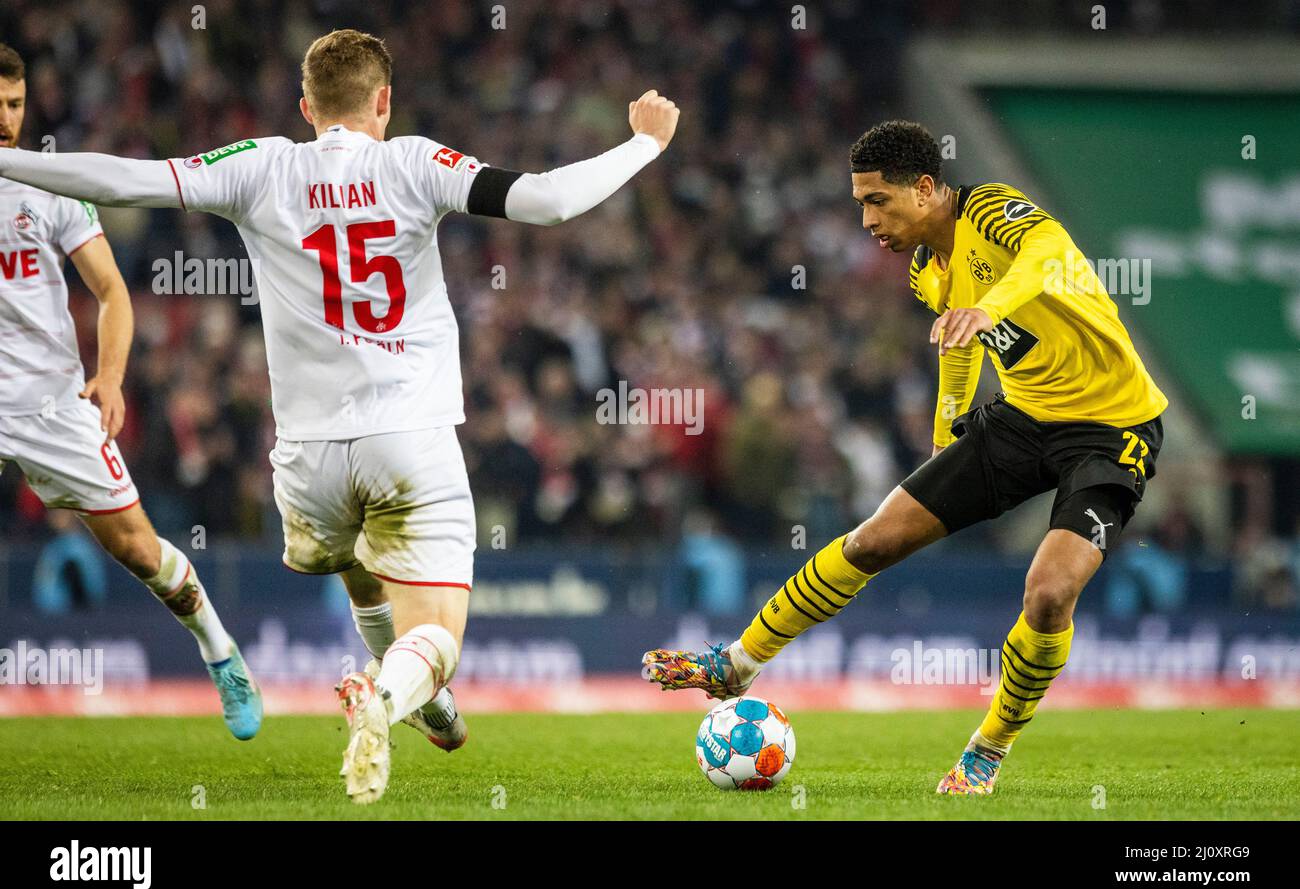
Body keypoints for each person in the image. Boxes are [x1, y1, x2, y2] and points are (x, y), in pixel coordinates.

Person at [0, 28, 679, 804]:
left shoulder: (261, 166)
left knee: (358, 559)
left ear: (304, 106)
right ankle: (387, 699)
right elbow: (550, 201)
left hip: (308, 461)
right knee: (439, 634)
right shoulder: (415, 161)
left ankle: (421, 699)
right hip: (407, 440)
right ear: (384, 101)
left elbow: (122, 179)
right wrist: (642, 146)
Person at [643, 120, 1167, 796]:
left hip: (1111, 427)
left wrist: (988, 306)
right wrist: (948, 437)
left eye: (877, 201)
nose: (867, 220)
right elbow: (959, 345)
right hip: (1020, 422)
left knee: (1048, 592)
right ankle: (738, 662)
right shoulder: (928, 271)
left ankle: (989, 746)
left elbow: (1051, 253)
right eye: (860, 203)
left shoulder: (988, 210)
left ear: (924, 190)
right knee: (872, 541)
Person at [0, 43, 260, 739]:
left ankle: (220, 650)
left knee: (141, 552)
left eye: (16, 104)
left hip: (50, 406)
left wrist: (110, 377)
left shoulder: (50, 184)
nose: (6, 119)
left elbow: (114, 292)